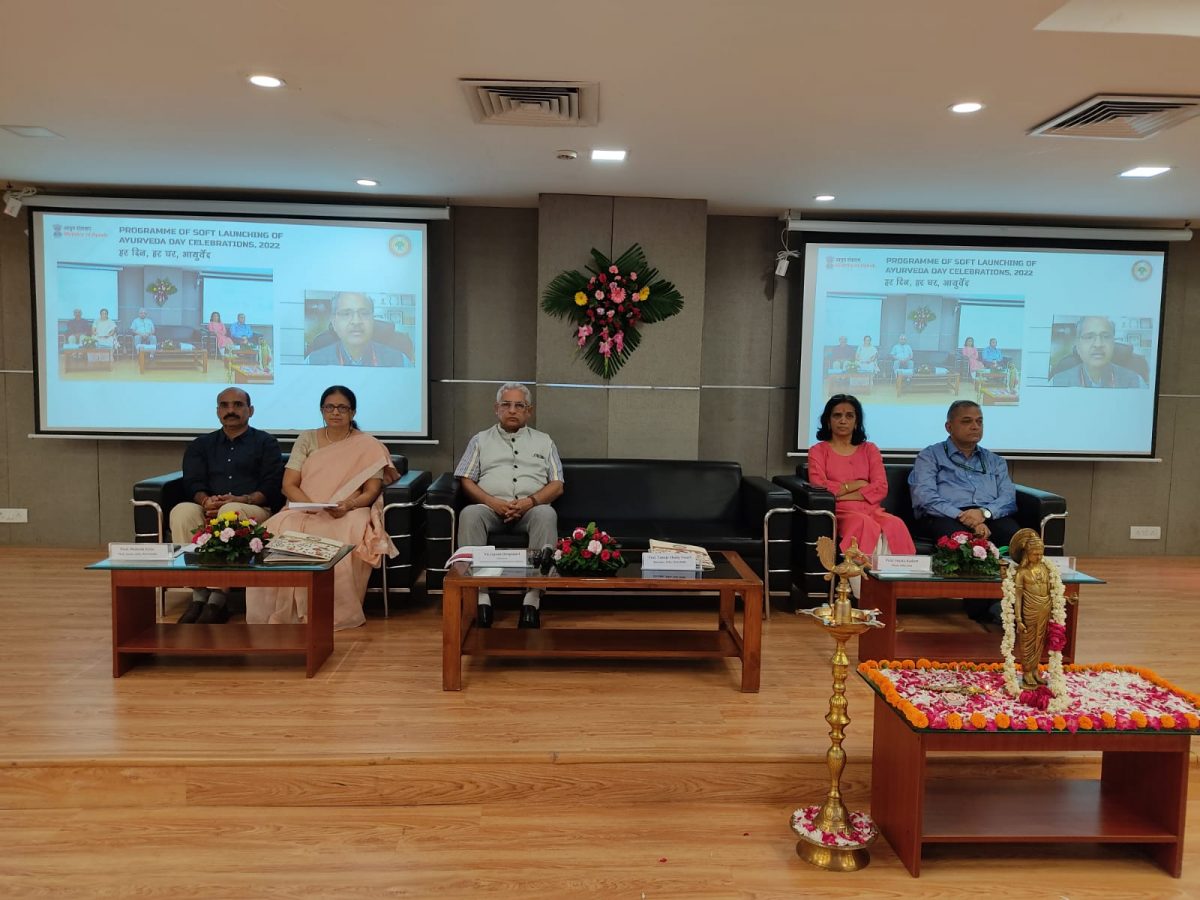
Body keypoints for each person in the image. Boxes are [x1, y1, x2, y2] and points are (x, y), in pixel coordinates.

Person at [246, 386, 399, 630]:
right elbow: (289, 484)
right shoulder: (307, 438)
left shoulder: (369, 445)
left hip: (348, 509)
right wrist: (308, 505)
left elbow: (371, 491)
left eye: (342, 408)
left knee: (344, 531)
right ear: (321, 410)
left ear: (352, 412)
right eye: (330, 407)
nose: (335, 412)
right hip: (304, 506)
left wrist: (348, 504)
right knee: (276, 529)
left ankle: (328, 611)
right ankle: (286, 612)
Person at [455, 382, 564, 629]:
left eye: (519, 405)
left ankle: (532, 598)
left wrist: (530, 502)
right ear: (496, 408)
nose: (512, 410)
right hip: (490, 508)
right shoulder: (480, 440)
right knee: (469, 514)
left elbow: (557, 484)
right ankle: (480, 596)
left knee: (546, 513)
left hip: (531, 510)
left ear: (529, 411)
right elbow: (466, 479)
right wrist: (491, 501)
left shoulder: (544, 441)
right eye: (506, 404)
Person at [170, 388, 285, 624]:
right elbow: (192, 481)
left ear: (250, 410)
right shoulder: (201, 444)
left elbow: (272, 485)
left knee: (228, 511)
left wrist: (242, 499)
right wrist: (205, 500)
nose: (231, 410)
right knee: (181, 512)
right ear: (217, 411)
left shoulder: (266, 443)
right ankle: (198, 593)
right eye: (224, 405)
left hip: (253, 508)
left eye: (238, 405)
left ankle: (218, 598)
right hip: (209, 505)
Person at [909, 400, 1020, 624]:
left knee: (1016, 538)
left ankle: (1014, 603)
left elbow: (1008, 498)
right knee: (963, 542)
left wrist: (984, 513)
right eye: (967, 421)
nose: (975, 426)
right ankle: (981, 606)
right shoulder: (930, 456)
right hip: (946, 515)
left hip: (987, 514)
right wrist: (966, 517)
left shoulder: (995, 461)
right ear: (949, 427)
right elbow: (925, 497)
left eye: (979, 421)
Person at [807, 395, 915, 560]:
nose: (843, 420)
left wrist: (842, 490)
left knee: (895, 524)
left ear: (857, 422)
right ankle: (861, 583)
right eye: (837, 415)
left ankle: (894, 583)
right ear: (828, 421)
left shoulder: (869, 449)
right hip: (840, 511)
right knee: (865, 524)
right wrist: (858, 484)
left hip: (873, 510)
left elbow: (880, 487)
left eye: (849, 416)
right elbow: (820, 486)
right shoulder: (818, 451)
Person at [307, 292, 410, 367]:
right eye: (346, 314)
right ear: (334, 323)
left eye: (364, 313)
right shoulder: (312, 361)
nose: (356, 321)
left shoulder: (400, 360)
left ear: (373, 320)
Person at [1007, 528, 1052, 688]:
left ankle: (1035, 670)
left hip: (1044, 609)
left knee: (1040, 642)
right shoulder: (1022, 573)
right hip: (1029, 611)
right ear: (1027, 553)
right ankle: (1026, 671)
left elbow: (1051, 591)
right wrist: (1018, 619)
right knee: (1028, 642)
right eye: (1035, 554)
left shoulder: (1045, 569)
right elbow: (1018, 597)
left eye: (1041, 554)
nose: (1039, 557)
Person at [1049, 315, 1147, 388]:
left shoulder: (1136, 381)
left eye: (1106, 336)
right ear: (1078, 347)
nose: (1098, 344)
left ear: (1113, 344)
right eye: (1089, 337)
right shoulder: (1057, 382)